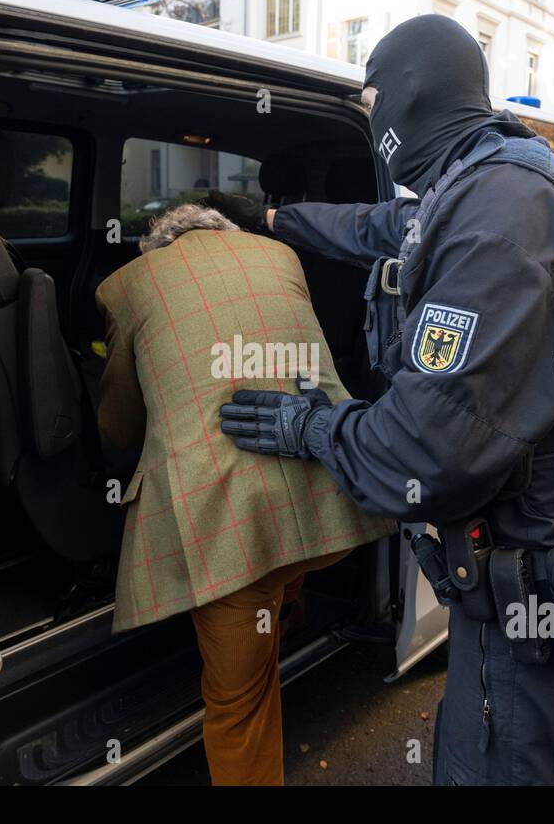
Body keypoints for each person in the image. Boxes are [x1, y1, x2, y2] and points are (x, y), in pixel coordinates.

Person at [213, 15, 554, 785]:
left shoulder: (505, 209)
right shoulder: (481, 184)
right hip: (530, 583)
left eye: (371, 102)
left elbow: (425, 449)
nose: (372, 122)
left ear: (408, 94)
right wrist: (276, 220)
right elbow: (382, 227)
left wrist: (310, 427)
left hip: (544, 590)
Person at [94, 203, 393, 786]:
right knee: (280, 571)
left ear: (161, 248)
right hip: (337, 504)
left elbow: (121, 427)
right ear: (227, 236)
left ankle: (271, 618)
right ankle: (285, 611)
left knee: (240, 704)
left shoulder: (127, 286)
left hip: (235, 539)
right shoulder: (281, 256)